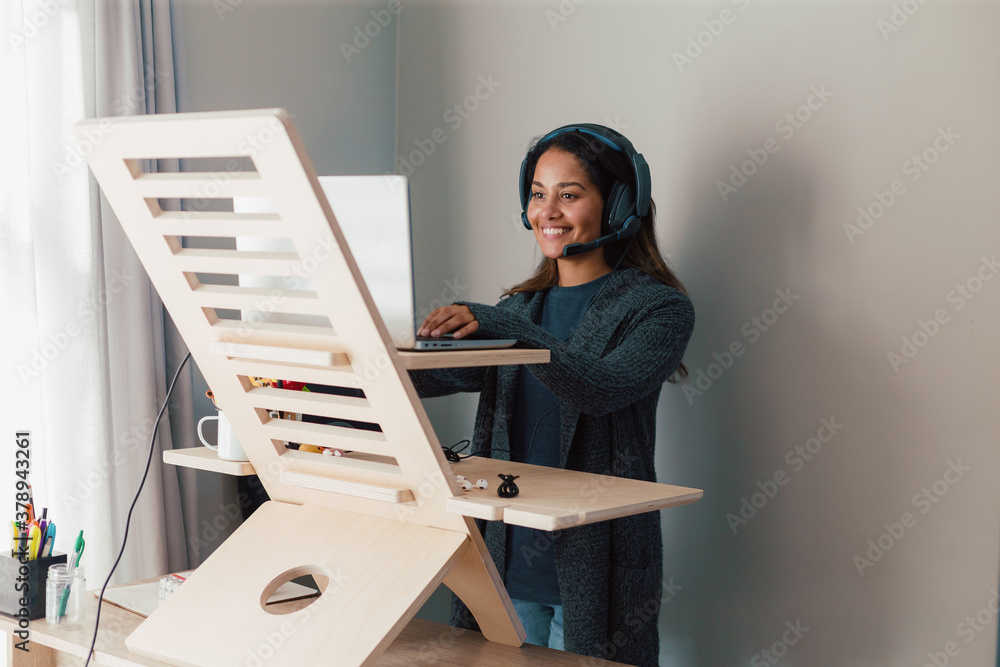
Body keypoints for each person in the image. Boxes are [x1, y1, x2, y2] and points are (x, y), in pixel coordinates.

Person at [408, 124, 694, 667]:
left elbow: (601, 388)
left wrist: (503, 328)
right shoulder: (519, 310)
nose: (548, 212)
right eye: (538, 194)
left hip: (595, 568)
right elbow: (428, 378)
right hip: (502, 565)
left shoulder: (659, 309)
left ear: (618, 207)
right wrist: (328, 368)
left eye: (569, 194)